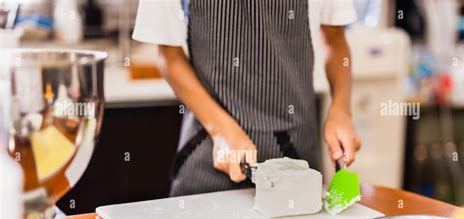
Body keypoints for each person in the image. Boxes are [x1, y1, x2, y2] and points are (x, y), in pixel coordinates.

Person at [133, 0, 361, 196]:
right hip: (208, 154)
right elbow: (169, 57)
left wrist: (341, 109)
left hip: (296, 160)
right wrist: (221, 130)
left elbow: (335, 40)